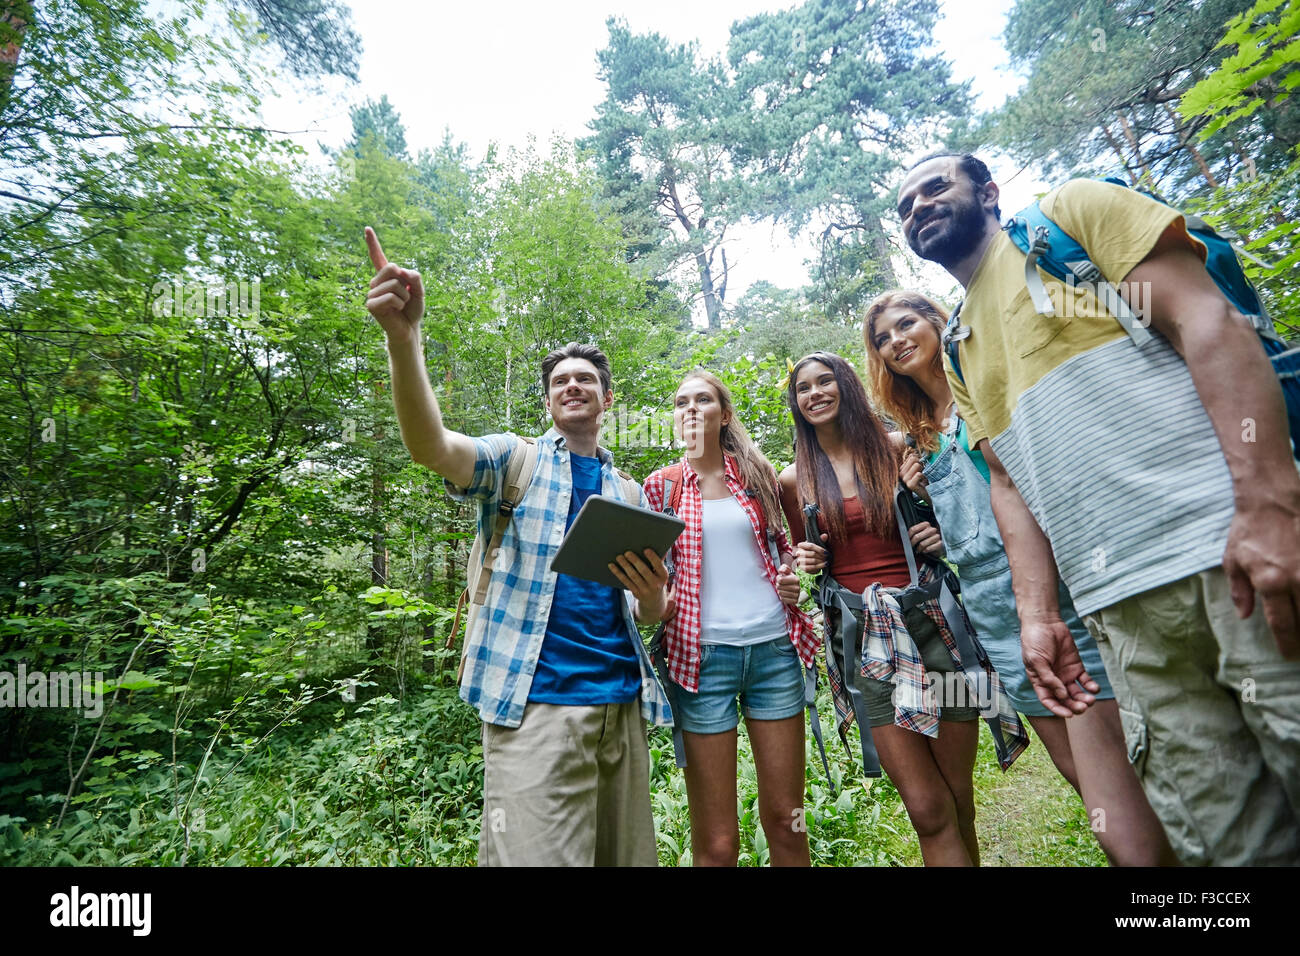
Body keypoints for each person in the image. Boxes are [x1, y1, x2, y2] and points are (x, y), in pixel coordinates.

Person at [896, 151, 1300, 864]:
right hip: (1120, 613)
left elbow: (1206, 322)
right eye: (905, 207)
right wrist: (1039, 615)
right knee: (1230, 838)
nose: (919, 207)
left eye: (936, 188)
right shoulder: (960, 343)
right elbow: (1008, 483)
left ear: (988, 192)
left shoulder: (1067, 223)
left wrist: (1269, 507)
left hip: (1229, 552)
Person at [363, 226, 674, 867]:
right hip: (535, 707)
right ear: (548, 399)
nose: (572, 385)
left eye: (585, 378)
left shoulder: (630, 492)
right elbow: (432, 447)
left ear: (606, 399)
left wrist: (651, 597)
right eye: (560, 380)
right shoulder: (515, 461)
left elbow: (650, 612)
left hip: (622, 705)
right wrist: (404, 339)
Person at [864, 289, 1176, 866]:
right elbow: (960, 519)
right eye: (883, 339)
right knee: (1078, 773)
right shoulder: (916, 437)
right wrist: (928, 520)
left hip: (1046, 586)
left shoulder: (986, 393)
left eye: (907, 324)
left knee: (1120, 763)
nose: (896, 342)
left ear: (938, 325)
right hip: (988, 608)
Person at [779, 351, 1028, 866]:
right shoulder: (792, 479)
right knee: (926, 808)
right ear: (796, 403)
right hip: (863, 641)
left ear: (847, 387)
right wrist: (806, 557)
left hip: (934, 624)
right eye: (804, 388)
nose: (816, 394)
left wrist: (936, 529)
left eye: (826, 382)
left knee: (958, 799)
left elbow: (959, 512)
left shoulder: (897, 448)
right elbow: (807, 555)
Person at [642, 370, 816, 866]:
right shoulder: (661, 488)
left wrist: (791, 580)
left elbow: (784, 552)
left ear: (724, 415)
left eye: (703, 400)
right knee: (717, 843)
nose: (691, 408)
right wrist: (652, 600)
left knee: (787, 820)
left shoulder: (758, 476)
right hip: (700, 663)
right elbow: (652, 582)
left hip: (775, 654)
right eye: (681, 402)